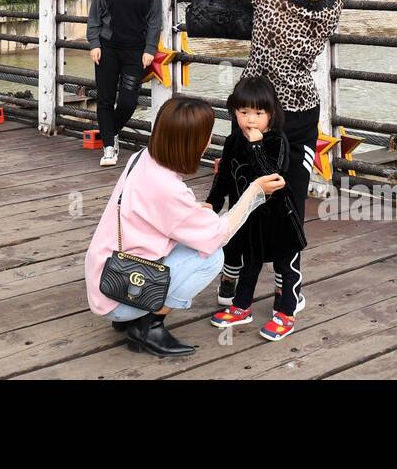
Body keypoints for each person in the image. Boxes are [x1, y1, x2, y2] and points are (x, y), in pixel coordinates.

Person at [208, 0, 352, 316]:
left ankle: (233, 281)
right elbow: (295, 11)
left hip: (253, 112)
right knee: (287, 201)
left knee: (244, 190)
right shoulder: (333, 6)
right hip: (301, 114)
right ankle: (288, 292)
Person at [85, 96, 287, 357]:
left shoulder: (143, 157)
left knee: (198, 238)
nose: (208, 141)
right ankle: (148, 326)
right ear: (192, 142)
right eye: (206, 136)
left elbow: (158, 213)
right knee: (212, 257)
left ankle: (129, 318)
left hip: (107, 275)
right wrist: (254, 192)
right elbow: (219, 236)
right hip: (119, 295)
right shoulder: (168, 190)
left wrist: (194, 213)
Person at [205, 76, 311, 341]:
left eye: (258, 113)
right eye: (243, 112)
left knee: (286, 265)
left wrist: (256, 144)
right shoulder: (232, 143)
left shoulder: (278, 141)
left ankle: (286, 312)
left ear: (270, 114)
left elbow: (271, 176)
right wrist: (212, 204)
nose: (251, 120)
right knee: (249, 263)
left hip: (279, 217)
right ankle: (242, 306)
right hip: (248, 217)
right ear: (234, 112)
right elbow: (225, 179)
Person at [86, 0, 162, 167]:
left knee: (129, 101)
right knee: (105, 100)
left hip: (135, 53)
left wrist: (150, 48)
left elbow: (154, 22)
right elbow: (94, 18)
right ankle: (109, 147)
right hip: (107, 49)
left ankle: (110, 132)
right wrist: (94, 44)